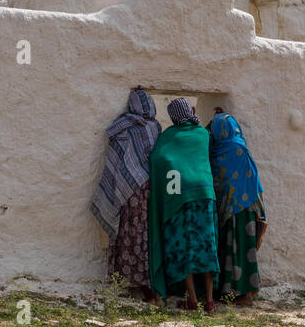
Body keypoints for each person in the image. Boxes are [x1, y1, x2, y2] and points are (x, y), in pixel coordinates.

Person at [148, 97, 220, 313]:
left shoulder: (169, 136)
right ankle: (209, 300)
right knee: (207, 246)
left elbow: (158, 158)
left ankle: (192, 300)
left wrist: (171, 181)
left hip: (180, 198)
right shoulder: (202, 134)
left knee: (184, 247)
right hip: (206, 195)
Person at [91, 87, 161, 302]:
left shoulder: (122, 126)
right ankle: (146, 285)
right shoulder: (154, 128)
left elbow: (116, 155)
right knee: (144, 235)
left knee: (123, 233)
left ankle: (123, 281)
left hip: (125, 191)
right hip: (148, 190)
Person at [208, 107, 266, 306]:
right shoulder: (242, 147)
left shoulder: (218, 152)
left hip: (230, 210)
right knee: (245, 251)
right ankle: (247, 293)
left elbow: (218, 181)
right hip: (248, 207)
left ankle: (233, 293)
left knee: (230, 249)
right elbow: (254, 179)